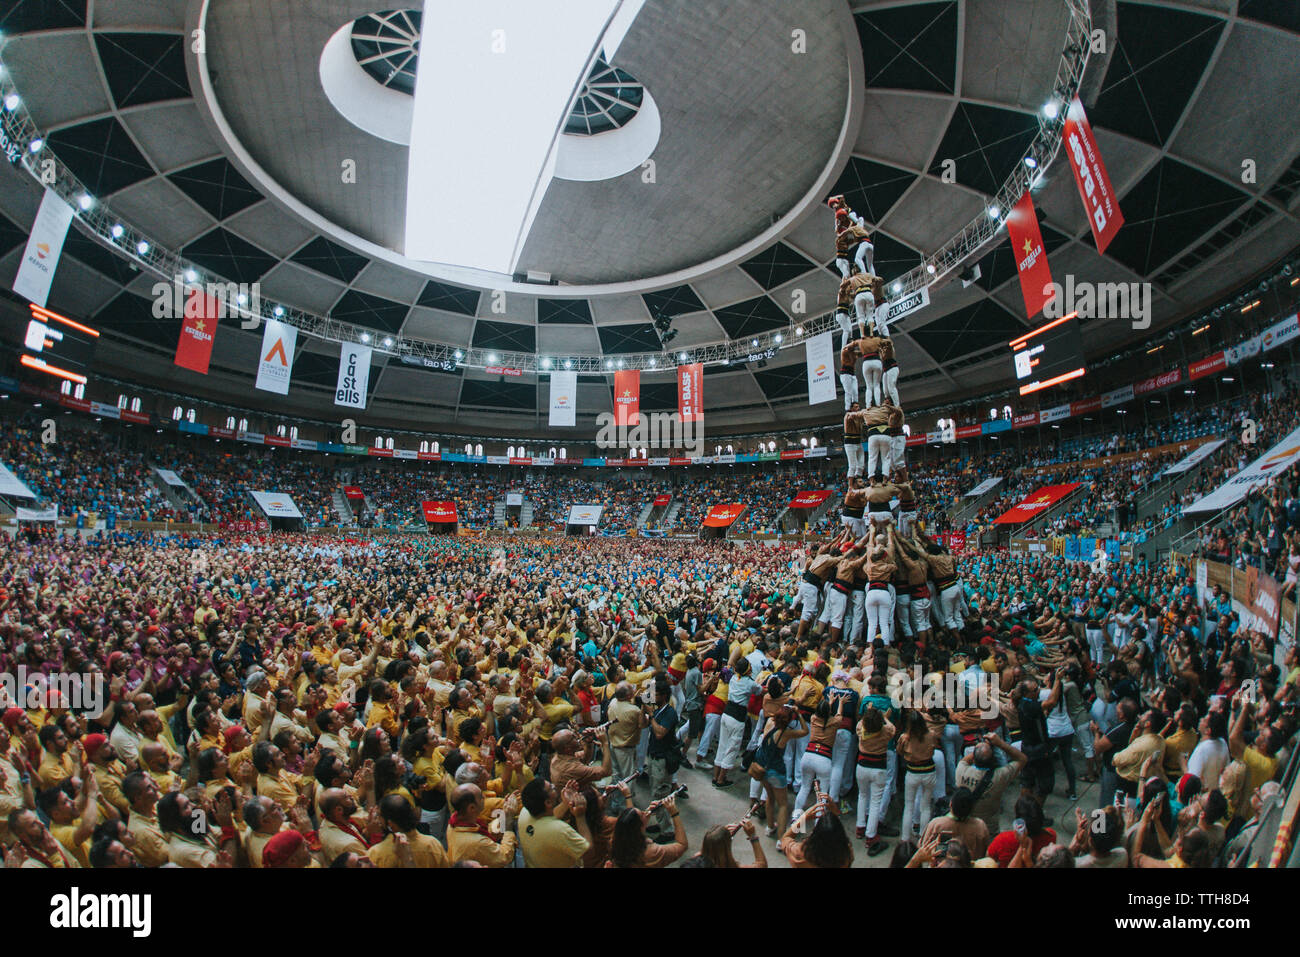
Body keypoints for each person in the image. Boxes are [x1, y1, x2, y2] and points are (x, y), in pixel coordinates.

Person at [517, 778, 590, 868]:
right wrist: (580, 817)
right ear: (548, 802)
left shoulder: (524, 812)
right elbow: (588, 853)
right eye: (551, 788)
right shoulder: (560, 830)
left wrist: (566, 803)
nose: (554, 786)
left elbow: (548, 817)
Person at [606, 794, 687, 868]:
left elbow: (629, 823)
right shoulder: (651, 853)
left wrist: (643, 818)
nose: (645, 812)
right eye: (642, 814)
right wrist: (674, 813)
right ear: (640, 827)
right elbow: (682, 845)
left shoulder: (613, 841)